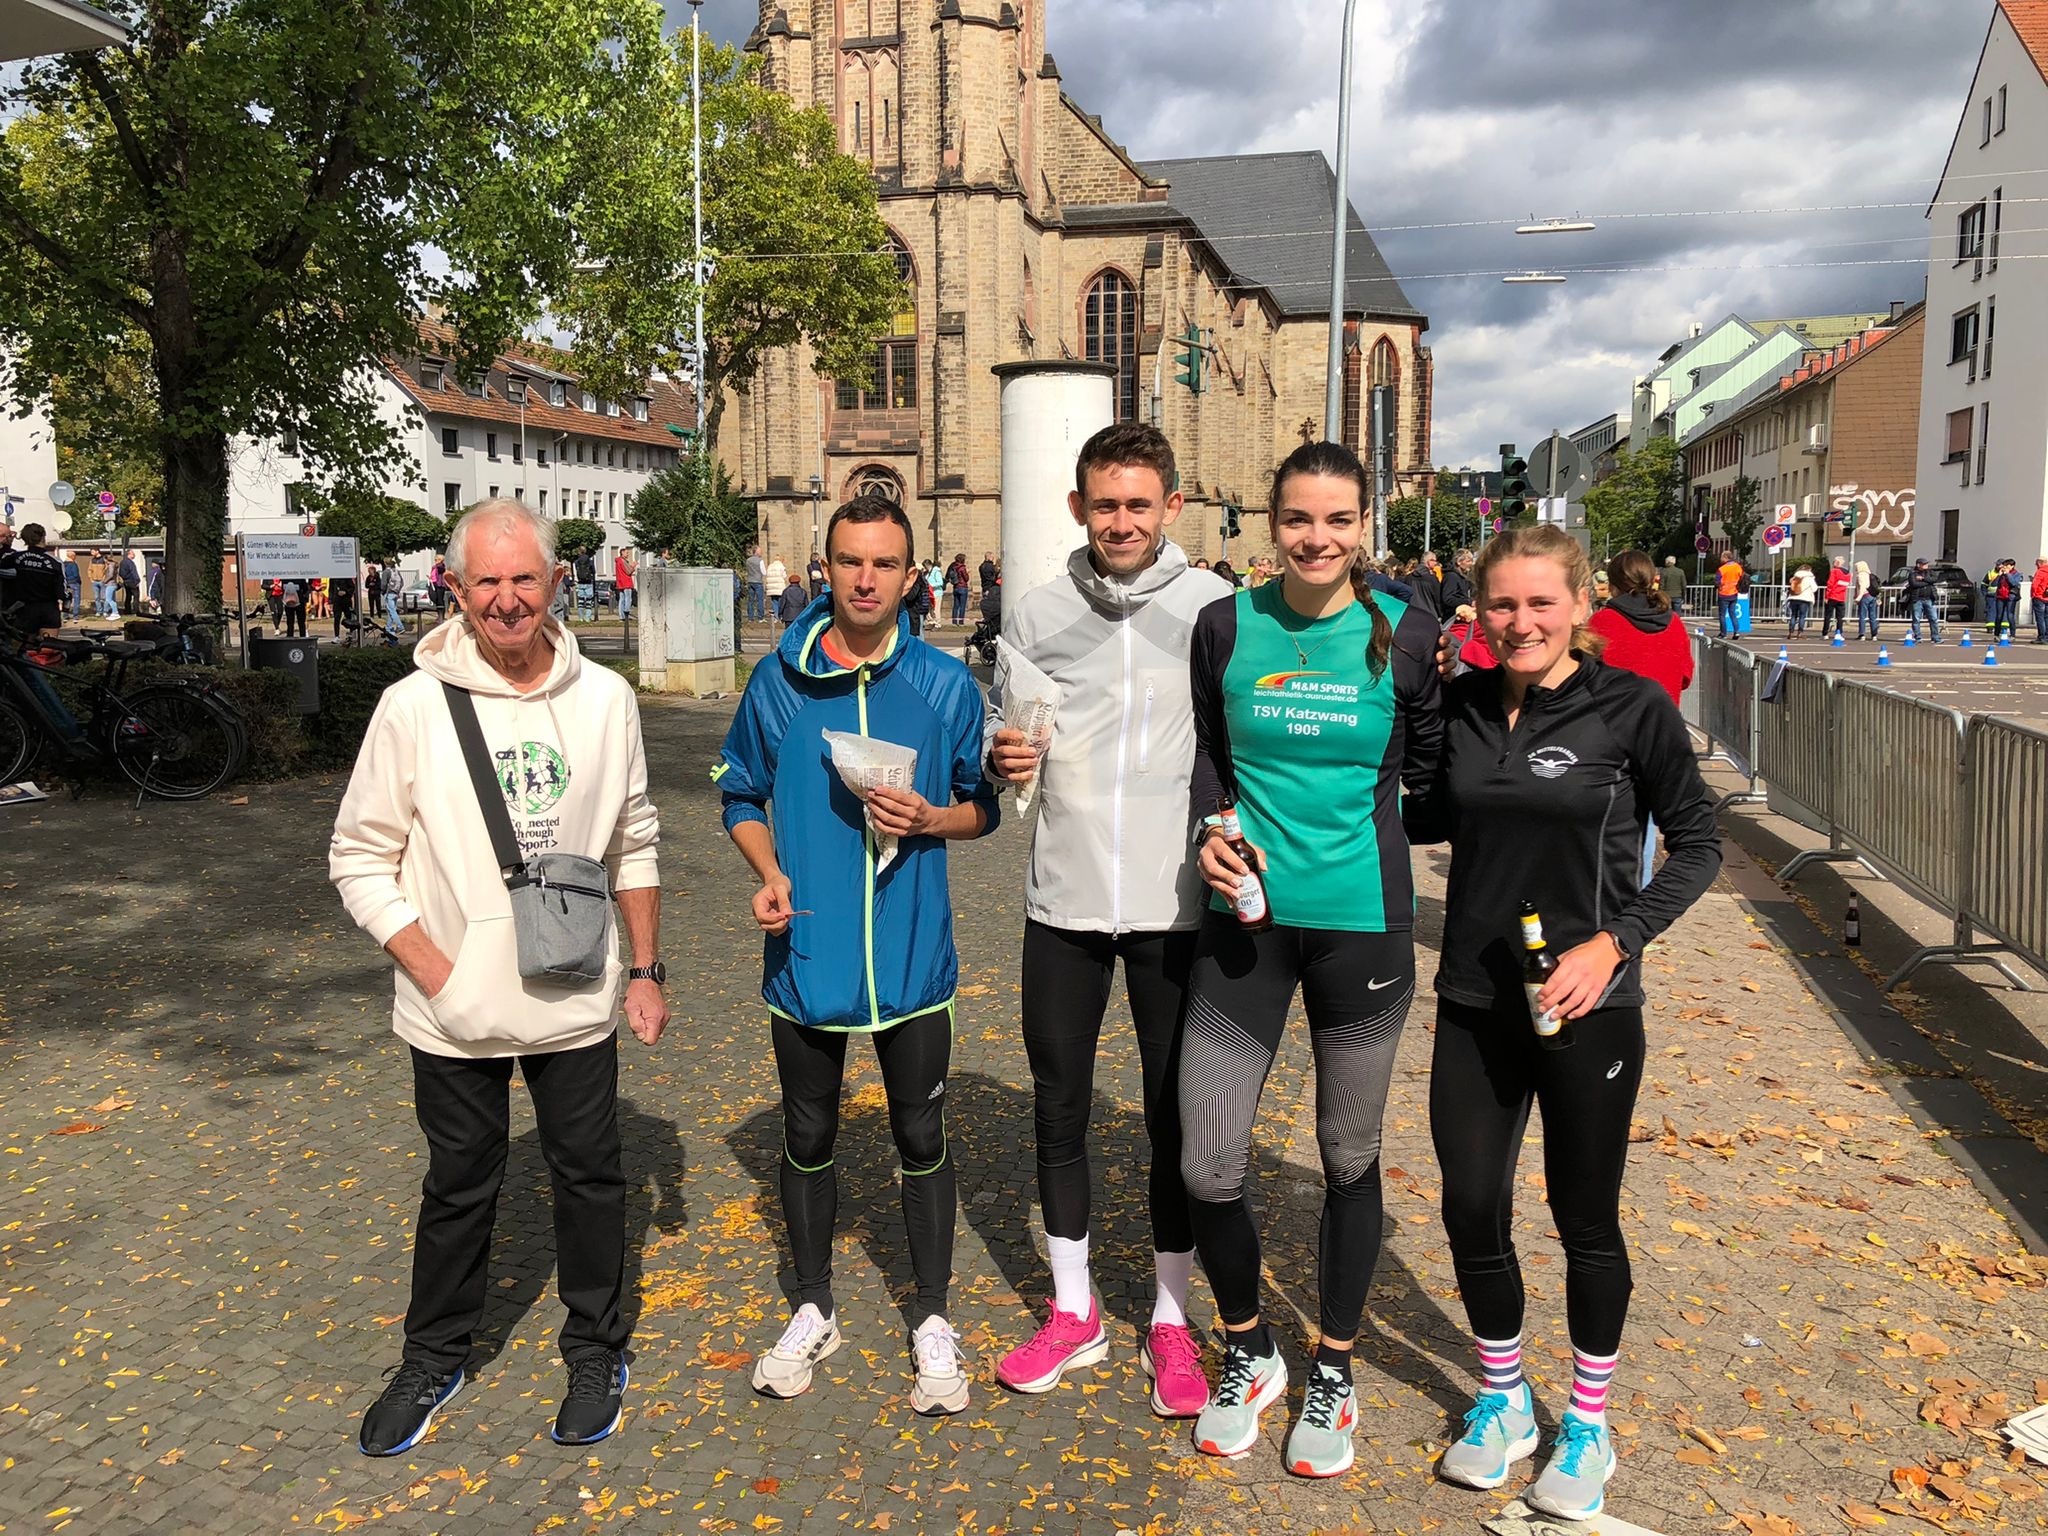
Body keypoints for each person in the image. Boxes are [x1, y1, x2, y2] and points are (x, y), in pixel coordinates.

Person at [330, 498, 667, 1457]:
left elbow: (635, 843)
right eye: (488, 582)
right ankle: (433, 1356)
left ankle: (596, 1346)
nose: (508, 601)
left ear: (557, 582)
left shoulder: (606, 700)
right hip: (452, 1013)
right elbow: (358, 855)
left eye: (526, 580)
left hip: (574, 997)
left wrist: (645, 969)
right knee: (459, 1187)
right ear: (457, 588)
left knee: (591, 1181)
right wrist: (434, 964)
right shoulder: (410, 707)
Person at [1407, 523, 1720, 1520]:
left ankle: (1586, 1421)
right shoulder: (1456, 705)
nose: (1520, 622)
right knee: (1467, 1207)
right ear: (1476, 611)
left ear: (1579, 606)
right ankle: (1501, 1399)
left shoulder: (1627, 707)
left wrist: (1614, 942)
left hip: (1587, 1007)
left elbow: (1699, 843)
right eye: (1501, 604)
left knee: (1581, 1220)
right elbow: (1413, 813)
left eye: (1540, 603)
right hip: (1472, 999)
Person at [1179, 440, 1442, 1477]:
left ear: (1363, 523)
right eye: (1298, 519)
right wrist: (1208, 821)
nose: (1317, 538)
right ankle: (1248, 1347)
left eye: (1337, 520)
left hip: (1362, 924)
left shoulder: (1405, 632)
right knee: (1207, 1160)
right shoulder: (1223, 624)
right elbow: (1207, 748)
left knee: (1345, 1154)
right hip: (1244, 920)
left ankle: (1333, 1364)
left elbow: (1426, 767)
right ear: (1271, 520)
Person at [715, 493, 1000, 1417]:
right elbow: (740, 796)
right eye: (850, 562)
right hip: (808, 949)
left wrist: (932, 819)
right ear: (823, 567)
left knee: (922, 1133)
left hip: (914, 959)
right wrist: (766, 873)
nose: (866, 578)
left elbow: (981, 807)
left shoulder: (947, 685)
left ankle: (931, 1317)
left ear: (912, 576)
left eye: (884, 563)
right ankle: (812, 1305)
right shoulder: (777, 683)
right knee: (808, 1134)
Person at [983, 422, 1230, 1417]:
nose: (1120, 521)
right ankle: (1074, 1309)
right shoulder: (1035, 614)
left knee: (1173, 1115)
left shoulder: (1215, 611)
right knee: (1059, 1107)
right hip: (1065, 902)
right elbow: (1016, 743)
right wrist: (1005, 763)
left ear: (1170, 505)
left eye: (1138, 503)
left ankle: (1169, 1320)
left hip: (1175, 905)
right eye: (1103, 503)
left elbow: (1239, 742)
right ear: (1078, 507)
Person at [1588, 551, 1694, 888]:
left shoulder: (1603, 623)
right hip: (1660, 735)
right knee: (1644, 826)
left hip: (1607, 735)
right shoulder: (1673, 623)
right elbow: (1686, 675)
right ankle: (1636, 905)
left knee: (1600, 823)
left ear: (1614, 584)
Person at [6, 524, 67, 636]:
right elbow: (62, 593)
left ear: (24, 539)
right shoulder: (55, 562)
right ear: (43, 536)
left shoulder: (14, 558)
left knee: (22, 648)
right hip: (48, 609)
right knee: (49, 648)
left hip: (24, 610)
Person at [1905, 558, 1942, 643]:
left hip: (1929, 599)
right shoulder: (1913, 573)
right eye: (1924, 564)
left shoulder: (1930, 572)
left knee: (1933, 618)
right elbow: (1914, 584)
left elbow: (1934, 579)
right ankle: (1918, 637)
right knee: (1916, 619)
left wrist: (1923, 579)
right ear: (1919, 565)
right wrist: (1928, 582)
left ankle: (1935, 637)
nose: (1926, 565)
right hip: (1917, 599)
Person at [1820, 556, 1851, 641]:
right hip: (1841, 597)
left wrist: (1826, 596)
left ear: (1836, 563)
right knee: (1840, 617)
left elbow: (1830, 584)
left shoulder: (1834, 571)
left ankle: (1825, 633)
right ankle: (1839, 633)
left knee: (1828, 616)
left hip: (1833, 596)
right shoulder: (1848, 574)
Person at [1715, 552, 1745, 638]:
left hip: (1724, 593)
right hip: (1734, 593)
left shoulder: (1722, 569)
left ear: (1725, 558)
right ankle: (1736, 632)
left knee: (1722, 615)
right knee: (1733, 613)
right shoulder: (1737, 567)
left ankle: (1723, 633)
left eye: (1721, 557)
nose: (1720, 559)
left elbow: (1717, 582)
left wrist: (1718, 586)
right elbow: (1742, 578)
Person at [1408, 552, 1444, 619]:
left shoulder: (1409, 577)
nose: (1436, 563)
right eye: (1435, 561)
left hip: (1412, 613)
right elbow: (1438, 600)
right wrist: (1441, 614)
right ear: (1429, 562)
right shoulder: (1432, 579)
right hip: (1429, 615)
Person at [1785, 564, 1815, 636]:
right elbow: (1815, 588)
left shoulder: (1795, 577)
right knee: (1802, 616)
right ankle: (1800, 632)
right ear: (1808, 570)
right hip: (1804, 599)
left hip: (1793, 598)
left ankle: (1790, 632)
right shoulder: (1809, 578)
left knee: (1793, 615)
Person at [1853, 559, 1878, 641]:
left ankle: (1862, 634)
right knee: (1873, 616)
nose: (1856, 569)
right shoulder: (1870, 575)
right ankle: (1874, 635)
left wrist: (1858, 597)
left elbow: (1862, 587)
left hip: (1865, 596)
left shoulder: (1861, 575)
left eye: (1856, 567)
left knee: (1862, 616)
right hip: (1872, 596)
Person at [744, 543, 767, 623]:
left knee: (750, 600)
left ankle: (750, 617)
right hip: (758, 582)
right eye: (760, 551)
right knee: (759, 600)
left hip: (750, 581)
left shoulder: (748, 560)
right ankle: (760, 617)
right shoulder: (760, 561)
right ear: (756, 552)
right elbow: (764, 572)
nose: (761, 553)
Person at [947, 553, 970, 626]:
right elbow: (966, 578)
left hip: (956, 587)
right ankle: (961, 622)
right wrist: (968, 573)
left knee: (956, 606)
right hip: (962, 587)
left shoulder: (953, 567)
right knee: (962, 606)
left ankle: (954, 621)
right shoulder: (962, 568)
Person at [614, 549, 636, 625]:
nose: (628, 554)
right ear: (622, 553)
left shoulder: (618, 561)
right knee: (628, 599)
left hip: (620, 583)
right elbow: (628, 571)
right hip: (626, 582)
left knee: (621, 599)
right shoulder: (622, 561)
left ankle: (621, 616)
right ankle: (626, 614)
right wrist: (633, 566)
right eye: (626, 553)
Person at [118, 551, 142, 616]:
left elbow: (121, 573)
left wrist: (125, 579)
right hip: (132, 581)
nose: (134, 555)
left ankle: (127, 610)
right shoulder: (130, 563)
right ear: (129, 554)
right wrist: (137, 580)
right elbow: (133, 571)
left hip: (126, 582)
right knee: (136, 596)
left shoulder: (122, 562)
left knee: (128, 596)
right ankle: (136, 611)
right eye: (133, 553)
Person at [62, 549, 82, 619]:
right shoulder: (73, 564)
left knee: (67, 599)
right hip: (75, 583)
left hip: (66, 583)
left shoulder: (63, 564)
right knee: (76, 599)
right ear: (72, 556)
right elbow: (76, 574)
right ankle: (75, 615)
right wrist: (79, 581)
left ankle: (65, 615)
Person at [2032, 557, 2048, 644]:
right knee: (2047, 617)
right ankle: (2047, 636)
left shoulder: (2040, 572)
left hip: (2039, 597)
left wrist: (2034, 595)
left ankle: (2042, 637)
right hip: (2047, 597)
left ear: (2039, 563)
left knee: (2040, 618)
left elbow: (2035, 585)